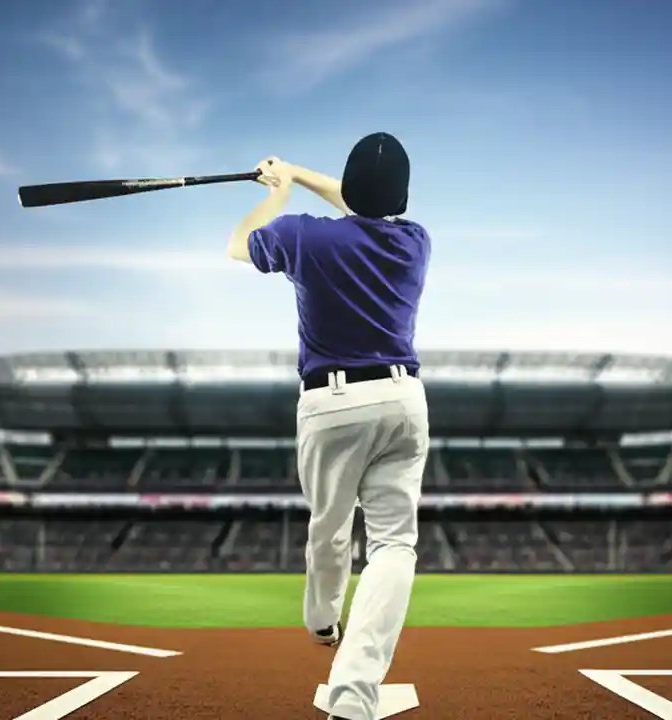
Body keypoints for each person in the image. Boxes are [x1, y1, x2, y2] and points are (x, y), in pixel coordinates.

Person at [226, 133, 431, 720]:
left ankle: (322, 620)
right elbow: (359, 204)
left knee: (332, 525)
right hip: (402, 400)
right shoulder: (415, 242)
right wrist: (293, 172)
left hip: (332, 403)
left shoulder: (302, 234)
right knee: (395, 544)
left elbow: (238, 246)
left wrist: (277, 191)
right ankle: (353, 692)